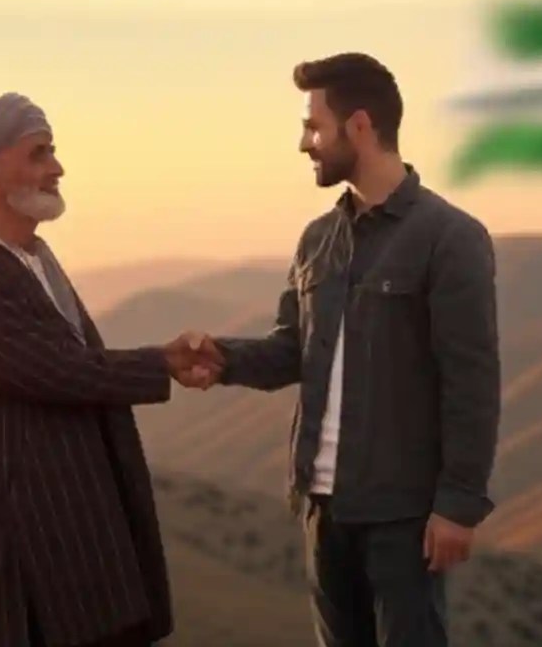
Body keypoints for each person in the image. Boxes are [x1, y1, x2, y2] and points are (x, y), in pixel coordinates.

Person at [184, 53, 502, 646]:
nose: (305, 143)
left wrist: (459, 504)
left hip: (402, 514)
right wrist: (219, 359)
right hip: (322, 511)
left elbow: (473, 382)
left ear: (358, 126)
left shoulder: (450, 238)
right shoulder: (317, 240)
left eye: (313, 126)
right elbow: (292, 352)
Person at [0, 92, 222, 647]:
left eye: (53, 151)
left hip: (78, 546)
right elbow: (58, 370)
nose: (56, 167)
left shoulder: (32, 258)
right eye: (37, 154)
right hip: (25, 556)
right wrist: (162, 363)